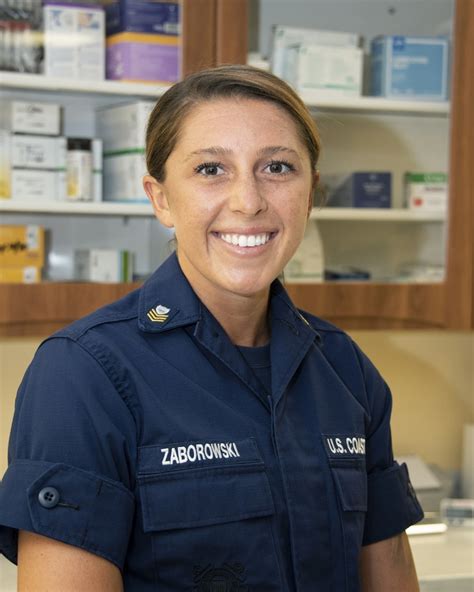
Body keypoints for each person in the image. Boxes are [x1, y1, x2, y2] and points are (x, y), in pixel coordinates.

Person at [0, 65, 423, 591]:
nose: (248, 200)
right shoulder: (83, 373)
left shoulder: (344, 367)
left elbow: (392, 574)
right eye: (209, 170)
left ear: (310, 193)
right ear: (160, 198)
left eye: (276, 166)